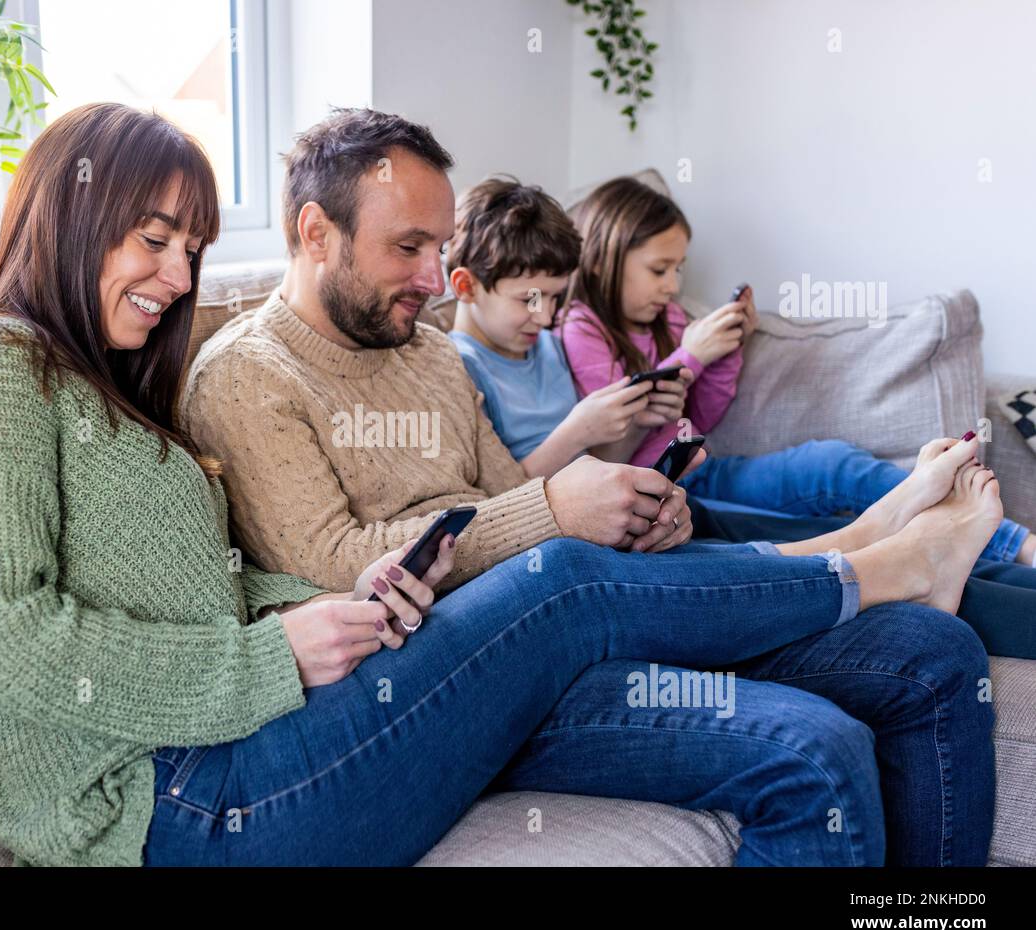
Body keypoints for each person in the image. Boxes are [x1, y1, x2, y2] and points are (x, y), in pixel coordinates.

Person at [180, 107, 1002, 865]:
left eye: (440, 246)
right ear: (315, 232)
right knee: (813, 753)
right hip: (452, 682)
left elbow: (507, 495)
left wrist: (624, 518)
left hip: (571, 619)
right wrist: (552, 509)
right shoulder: (247, 377)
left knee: (935, 655)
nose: (434, 278)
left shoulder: (427, 353)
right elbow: (334, 563)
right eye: (409, 248)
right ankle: (865, 552)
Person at [444, 173, 1036, 659]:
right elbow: (504, 501)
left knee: (876, 515)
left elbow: (614, 458)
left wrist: (699, 371)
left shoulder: (544, 344)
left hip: (652, 499)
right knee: (831, 520)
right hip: (596, 533)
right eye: (532, 299)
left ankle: (918, 540)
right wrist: (591, 426)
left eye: (554, 297)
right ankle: (888, 538)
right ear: (465, 286)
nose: (546, 314)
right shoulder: (463, 365)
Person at [558, 175, 1035, 568]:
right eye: (660, 269)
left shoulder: (672, 320)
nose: (673, 285)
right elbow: (615, 437)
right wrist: (691, 356)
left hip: (705, 473)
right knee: (821, 521)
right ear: (604, 260)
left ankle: (1007, 542)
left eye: (679, 269)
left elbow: (700, 413)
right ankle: (991, 548)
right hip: (659, 495)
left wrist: (728, 352)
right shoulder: (582, 327)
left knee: (831, 463)